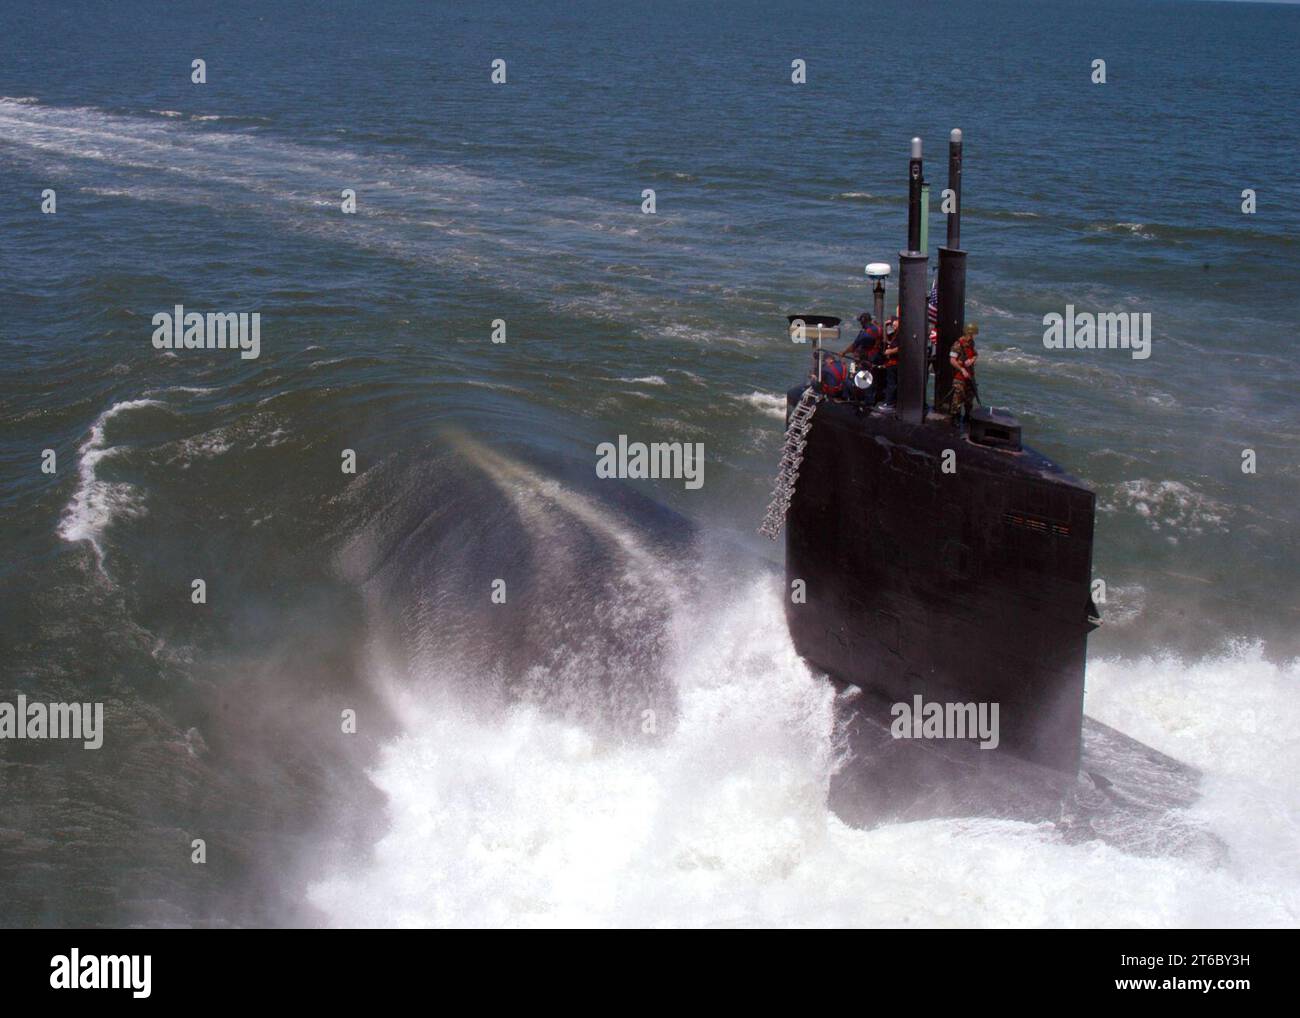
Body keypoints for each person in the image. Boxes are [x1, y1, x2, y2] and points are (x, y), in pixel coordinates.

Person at [948, 322, 979, 419]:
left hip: (969, 375)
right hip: (960, 376)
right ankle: (954, 418)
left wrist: (972, 360)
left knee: (969, 398)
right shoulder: (958, 345)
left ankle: (967, 417)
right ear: (968, 334)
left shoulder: (971, 343)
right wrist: (962, 369)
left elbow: (975, 354)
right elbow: (952, 360)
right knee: (957, 398)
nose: (974, 336)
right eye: (973, 334)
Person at [881, 317, 900, 408]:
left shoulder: (902, 333)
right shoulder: (895, 333)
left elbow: (902, 346)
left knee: (892, 384)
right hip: (891, 362)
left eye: (894, 323)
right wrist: (885, 327)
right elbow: (885, 339)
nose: (893, 325)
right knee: (890, 382)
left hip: (895, 363)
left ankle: (889, 403)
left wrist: (890, 351)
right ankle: (891, 401)